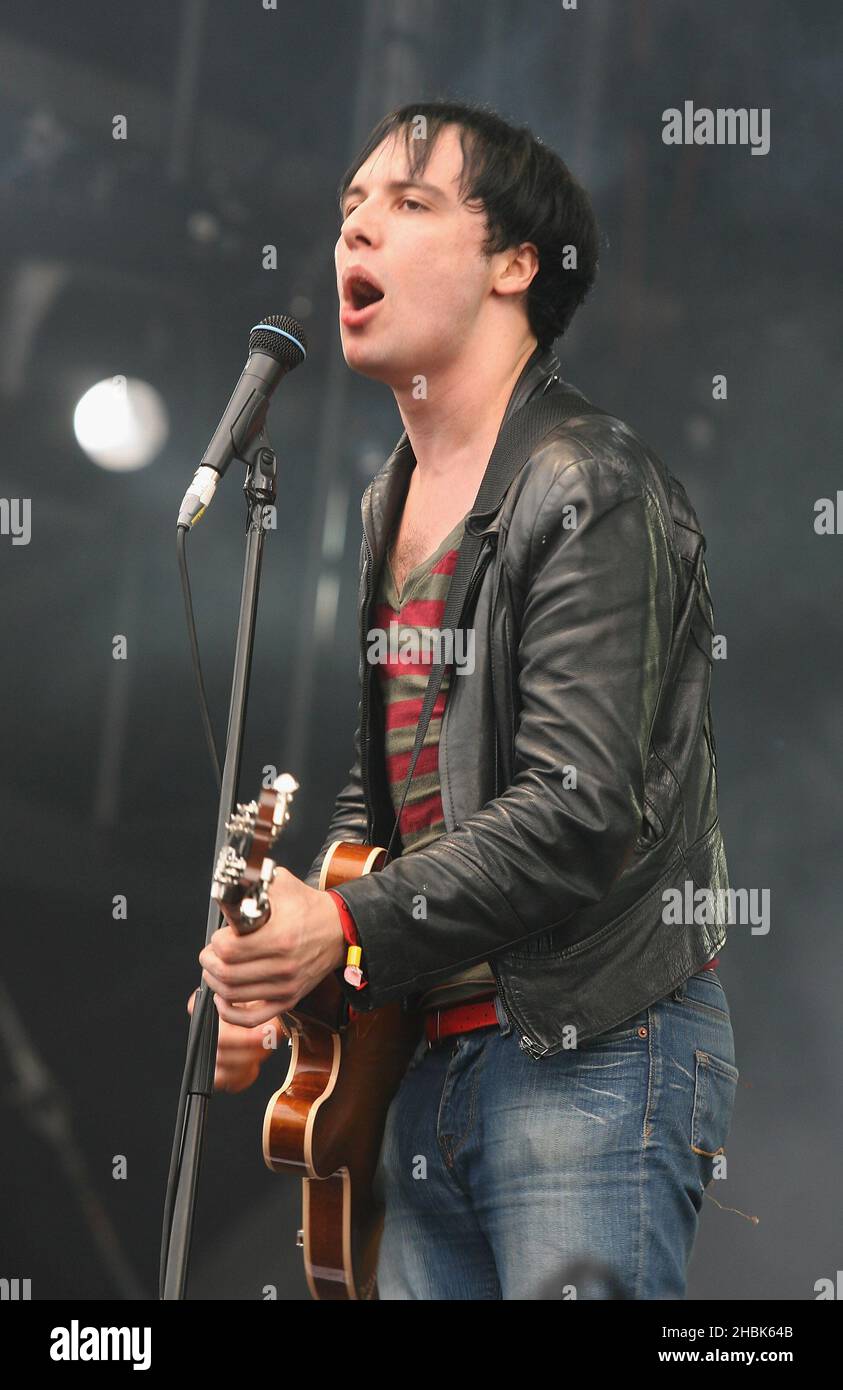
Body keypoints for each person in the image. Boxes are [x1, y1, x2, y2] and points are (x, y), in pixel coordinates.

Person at [193, 100, 738, 1300]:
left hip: (588, 1054)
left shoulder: (586, 481)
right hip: (418, 1060)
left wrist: (336, 930)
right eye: (348, 210)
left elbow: (580, 808)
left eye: (407, 202)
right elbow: (383, 806)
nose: (355, 234)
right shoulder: (388, 499)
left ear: (515, 263)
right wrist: (284, 967)